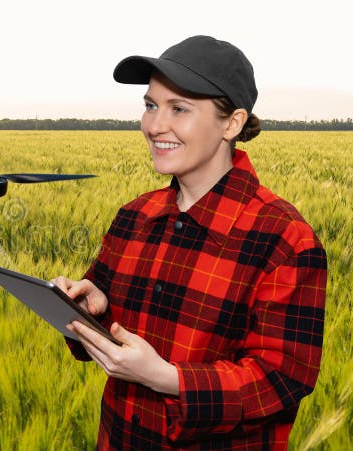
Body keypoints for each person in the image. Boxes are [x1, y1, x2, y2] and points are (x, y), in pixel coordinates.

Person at [53, 35, 326, 450]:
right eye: (150, 105)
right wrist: (91, 308)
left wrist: (168, 378)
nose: (154, 125)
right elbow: (109, 340)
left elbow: (283, 381)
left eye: (178, 109)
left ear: (232, 123)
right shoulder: (134, 217)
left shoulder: (285, 238)